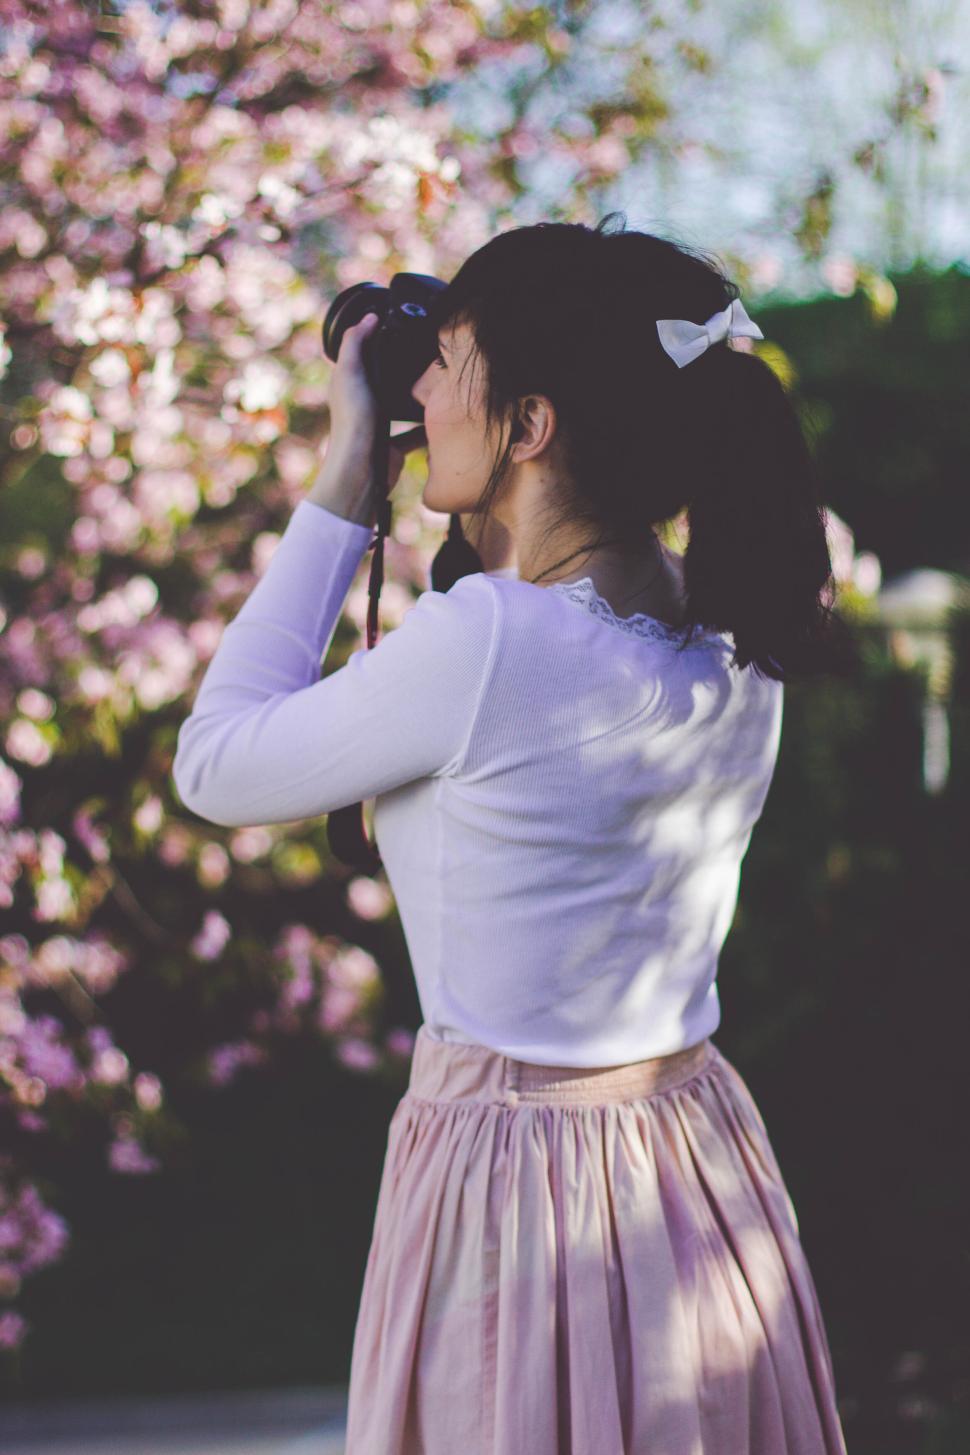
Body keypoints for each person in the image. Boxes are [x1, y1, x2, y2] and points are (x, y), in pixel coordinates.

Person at [172, 215, 852, 1453]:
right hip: (696, 1170)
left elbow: (214, 764)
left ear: (531, 429)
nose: (420, 384)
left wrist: (343, 483)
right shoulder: (733, 638)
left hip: (519, 1196)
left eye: (451, 362)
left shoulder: (493, 640)